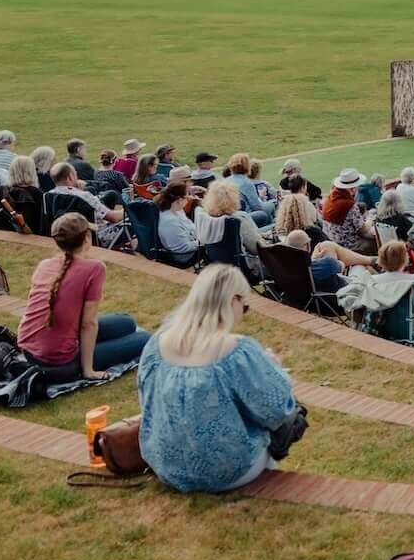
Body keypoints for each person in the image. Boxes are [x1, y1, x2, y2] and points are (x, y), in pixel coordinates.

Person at [138, 265, 300, 494]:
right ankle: (266, 473)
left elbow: (146, 400)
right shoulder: (236, 351)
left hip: (167, 463)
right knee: (294, 413)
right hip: (227, 469)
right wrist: (274, 369)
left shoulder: (157, 344)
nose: (242, 314)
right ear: (233, 300)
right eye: (245, 307)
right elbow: (277, 411)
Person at [17, 214, 151, 381]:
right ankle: (83, 364)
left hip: (29, 348)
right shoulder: (95, 268)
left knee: (126, 322)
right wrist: (89, 370)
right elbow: (88, 324)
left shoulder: (45, 264)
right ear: (87, 238)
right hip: (58, 358)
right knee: (145, 339)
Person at [52, 163, 129, 248]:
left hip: (69, 237)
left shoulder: (49, 195)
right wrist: (129, 209)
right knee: (133, 220)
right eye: (76, 174)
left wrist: (77, 190)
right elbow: (114, 218)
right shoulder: (83, 196)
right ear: (70, 176)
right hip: (98, 236)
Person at [320, 169, 376, 255]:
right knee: (375, 241)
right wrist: (370, 219)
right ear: (352, 189)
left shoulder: (328, 199)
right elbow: (363, 229)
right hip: (348, 246)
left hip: (332, 242)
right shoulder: (349, 205)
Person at [223, 153, 275, 227]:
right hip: (242, 217)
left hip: (229, 217)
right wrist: (271, 203)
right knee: (267, 209)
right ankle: (272, 229)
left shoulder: (226, 180)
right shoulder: (246, 182)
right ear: (247, 166)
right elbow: (257, 207)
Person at [155, 181, 200, 261]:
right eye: (187, 197)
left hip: (192, 243)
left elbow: (191, 227)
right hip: (184, 256)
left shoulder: (177, 210)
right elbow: (183, 248)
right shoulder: (170, 221)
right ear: (179, 200)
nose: (189, 198)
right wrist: (203, 242)